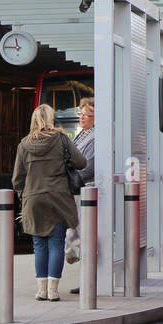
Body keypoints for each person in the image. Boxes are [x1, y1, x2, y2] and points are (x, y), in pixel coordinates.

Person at [12, 105, 87, 302]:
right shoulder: (62, 139)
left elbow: (17, 179)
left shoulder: (24, 144)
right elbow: (81, 162)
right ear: (51, 119)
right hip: (58, 198)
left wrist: (24, 194)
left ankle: (41, 290)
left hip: (34, 199)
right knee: (56, 244)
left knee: (39, 245)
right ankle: (53, 291)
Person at [65, 99, 95, 291]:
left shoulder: (96, 136)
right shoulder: (80, 134)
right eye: (81, 114)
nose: (81, 117)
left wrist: (69, 175)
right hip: (77, 191)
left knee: (85, 235)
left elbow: (89, 165)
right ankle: (85, 279)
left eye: (86, 114)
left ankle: (89, 281)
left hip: (86, 191)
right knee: (77, 232)